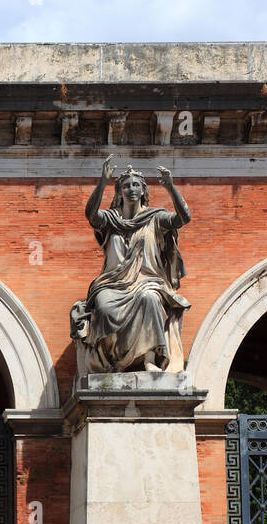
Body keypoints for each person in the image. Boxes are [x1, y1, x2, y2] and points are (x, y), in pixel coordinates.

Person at [70, 155, 191, 373]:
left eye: (136, 185)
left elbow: (184, 218)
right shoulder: (110, 219)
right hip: (112, 284)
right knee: (104, 307)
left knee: (150, 299)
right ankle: (113, 363)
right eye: (126, 186)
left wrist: (171, 187)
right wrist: (102, 181)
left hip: (147, 281)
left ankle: (149, 360)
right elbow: (91, 215)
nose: (131, 189)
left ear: (144, 191)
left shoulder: (155, 217)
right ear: (119, 192)